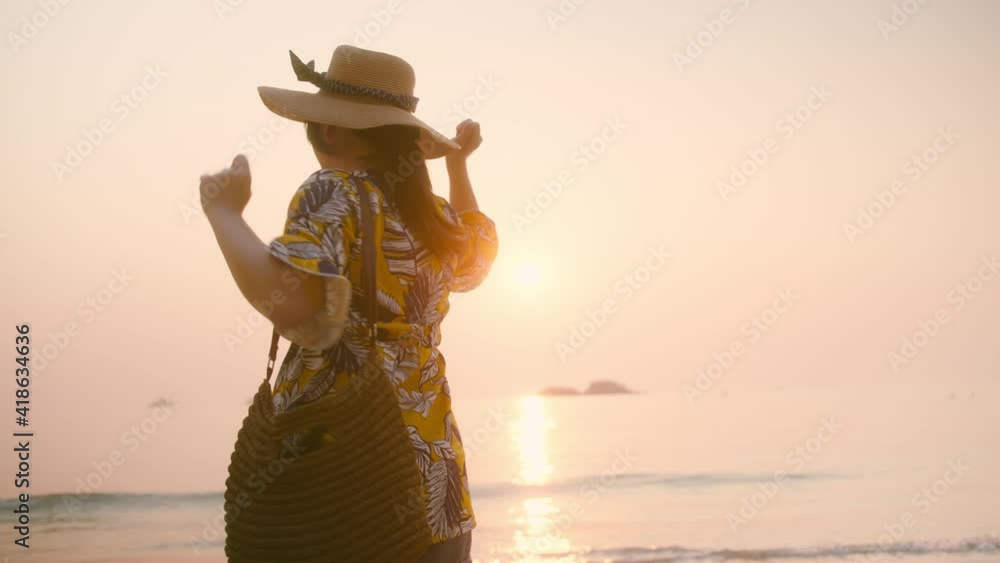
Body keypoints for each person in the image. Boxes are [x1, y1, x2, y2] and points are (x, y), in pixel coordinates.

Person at [200, 45, 498, 563]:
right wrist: (457, 166)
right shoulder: (433, 216)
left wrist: (224, 215)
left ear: (332, 128)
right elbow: (478, 258)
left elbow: (296, 309)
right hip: (435, 481)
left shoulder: (331, 189)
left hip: (347, 477)